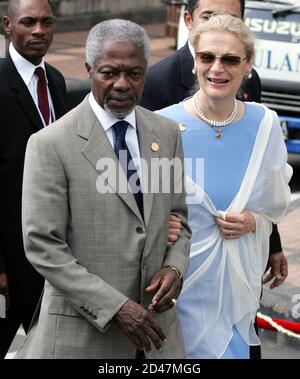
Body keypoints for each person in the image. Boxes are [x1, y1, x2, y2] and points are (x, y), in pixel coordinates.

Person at [16, 19, 191, 359]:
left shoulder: (166, 133)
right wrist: (116, 307)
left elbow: (179, 220)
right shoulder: (50, 144)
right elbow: (42, 246)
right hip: (82, 340)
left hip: (157, 339)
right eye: (109, 73)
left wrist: (175, 268)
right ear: (89, 69)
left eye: (135, 74)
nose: (122, 85)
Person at [157, 14, 292, 359]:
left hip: (237, 291)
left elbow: (273, 205)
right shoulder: (163, 125)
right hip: (181, 288)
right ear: (195, 62)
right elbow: (143, 211)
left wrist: (254, 222)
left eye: (230, 59)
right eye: (207, 57)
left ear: (248, 65)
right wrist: (161, 223)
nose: (217, 68)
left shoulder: (265, 124)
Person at [0, 0, 66, 358]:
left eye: (47, 22)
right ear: (8, 25)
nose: (39, 31)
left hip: (48, 254)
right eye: (29, 22)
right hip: (8, 262)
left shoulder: (55, 80)